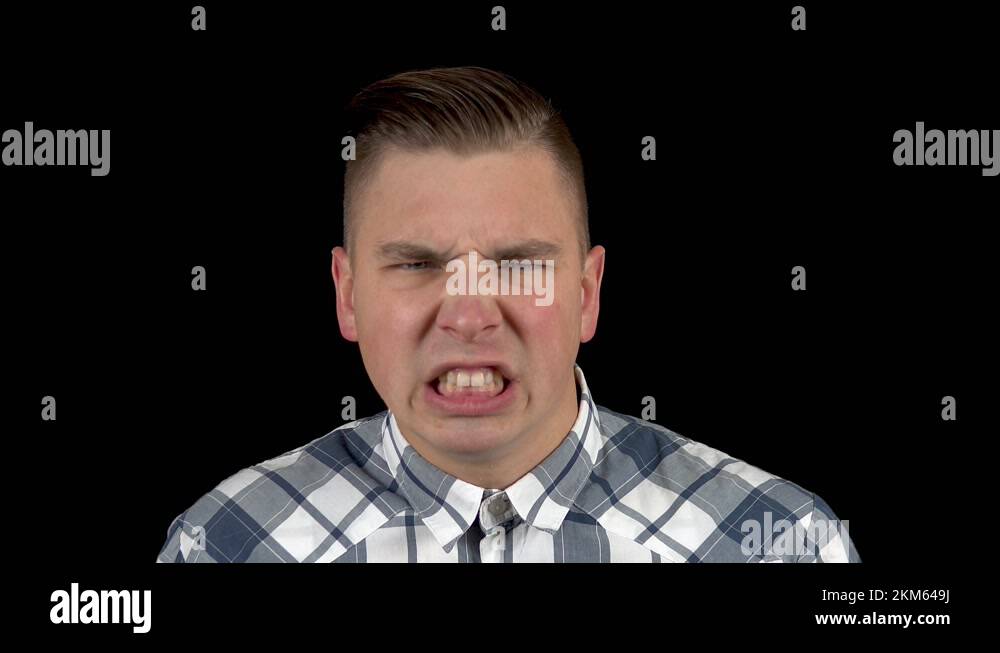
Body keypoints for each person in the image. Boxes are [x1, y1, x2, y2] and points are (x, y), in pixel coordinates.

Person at [158, 66, 860, 563]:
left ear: (588, 293)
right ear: (347, 294)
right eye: (417, 263)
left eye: (519, 263)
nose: (468, 314)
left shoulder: (782, 543)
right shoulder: (223, 544)